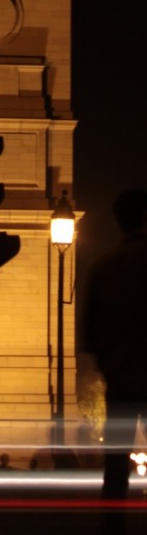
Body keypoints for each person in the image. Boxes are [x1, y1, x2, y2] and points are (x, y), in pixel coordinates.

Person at [81, 188, 147, 499]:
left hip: (119, 383)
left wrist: (112, 364)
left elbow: (89, 337)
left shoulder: (102, 268)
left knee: (116, 471)